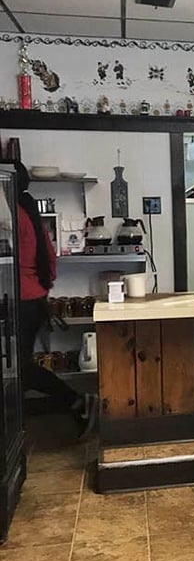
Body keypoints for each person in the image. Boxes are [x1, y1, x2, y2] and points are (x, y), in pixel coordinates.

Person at [15, 164, 96, 439]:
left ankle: (77, 402)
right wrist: (43, 289)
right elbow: (49, 257)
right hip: (32, 298)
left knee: (20, 369)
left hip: (18, 301)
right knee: (20, 367)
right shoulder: (27, 212)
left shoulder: (11, 215)